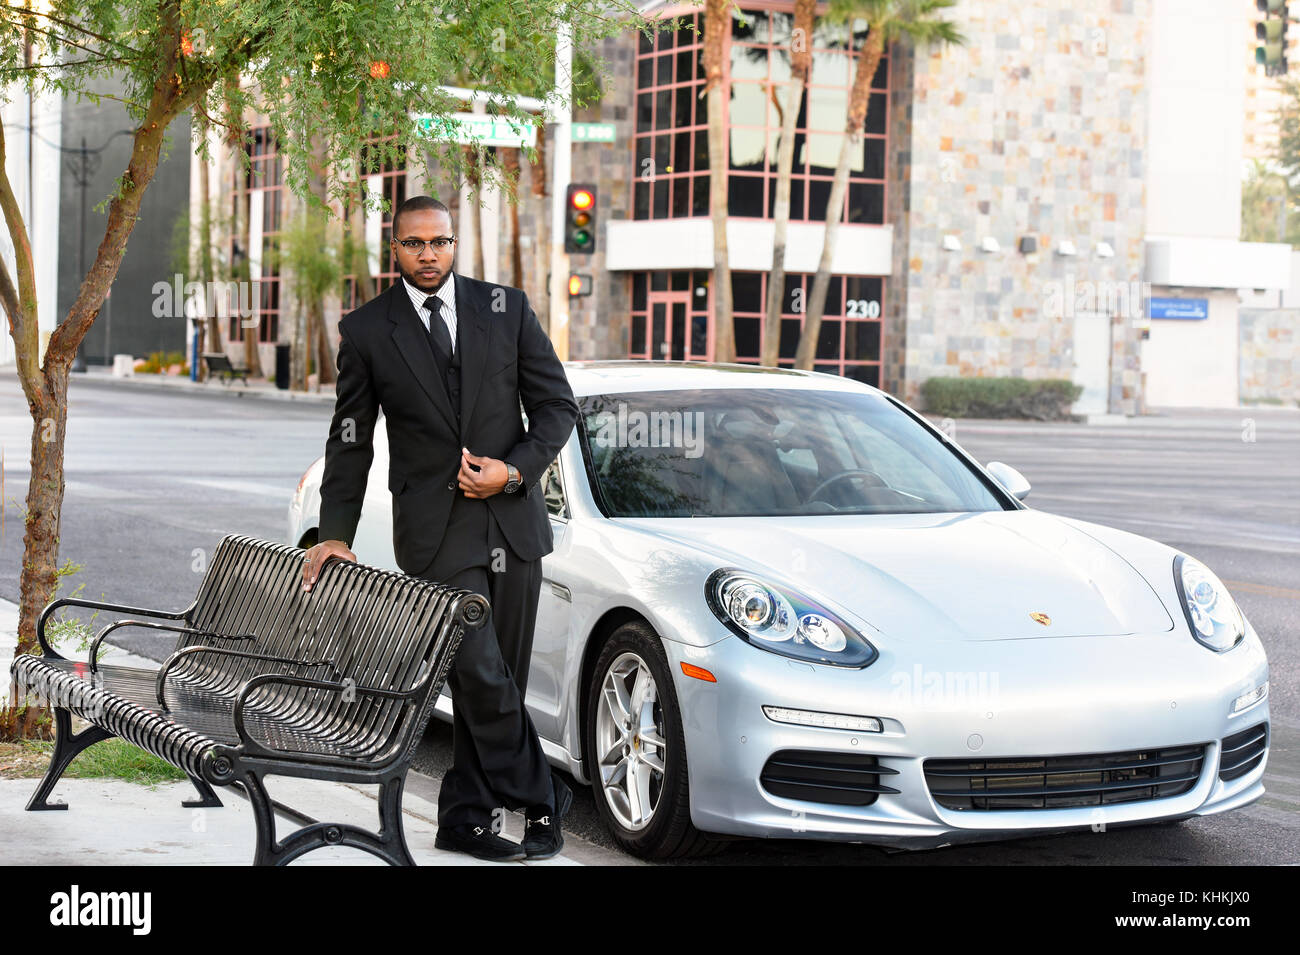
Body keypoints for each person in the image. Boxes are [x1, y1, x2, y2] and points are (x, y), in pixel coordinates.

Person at [300, 195, 579, 862]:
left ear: (455, 245)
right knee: (479, 669)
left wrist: (511, 473)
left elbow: (556, 406)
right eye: (414, 243)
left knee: (499, 677)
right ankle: (545, 795)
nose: (429, 254)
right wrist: (333, 528)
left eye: (441, 242)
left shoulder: (505, 309)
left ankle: (464, 817)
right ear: (393, 249)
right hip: (434, 531)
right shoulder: (367, 329)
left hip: (511, 521)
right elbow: (350, 437)